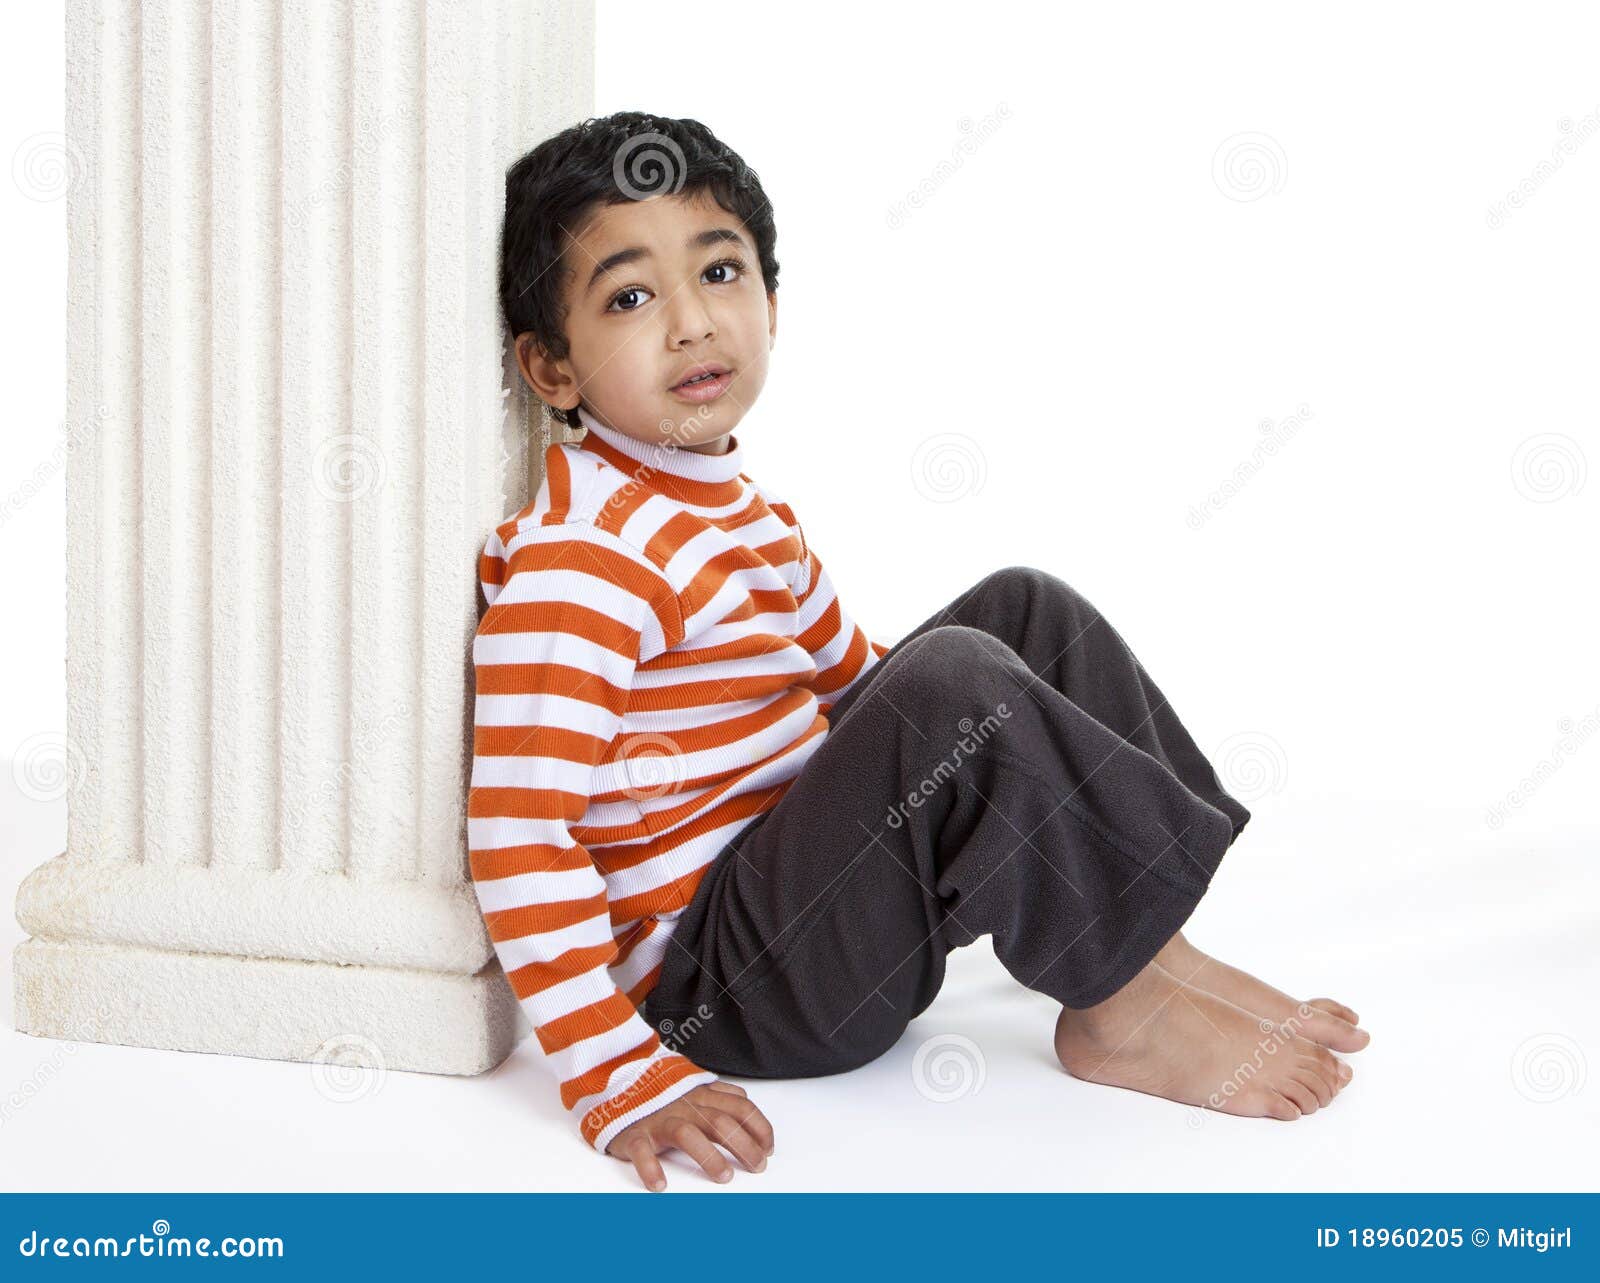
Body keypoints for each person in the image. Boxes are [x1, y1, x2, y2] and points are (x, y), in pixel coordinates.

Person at [469, 111, 1371, 1193]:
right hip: (737, 984)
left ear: (771, 300)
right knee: (962, 685)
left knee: (1022, 613)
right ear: (551, 368)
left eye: (719, 272)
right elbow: (519, 830)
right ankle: (1121, 1010)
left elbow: (857, 680)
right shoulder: (586, 558)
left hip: (808, 888)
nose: (691, 322)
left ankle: (1147, 944)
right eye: (629, 297)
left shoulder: (736, 509)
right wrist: (619, 1075)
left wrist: (1000, 706)